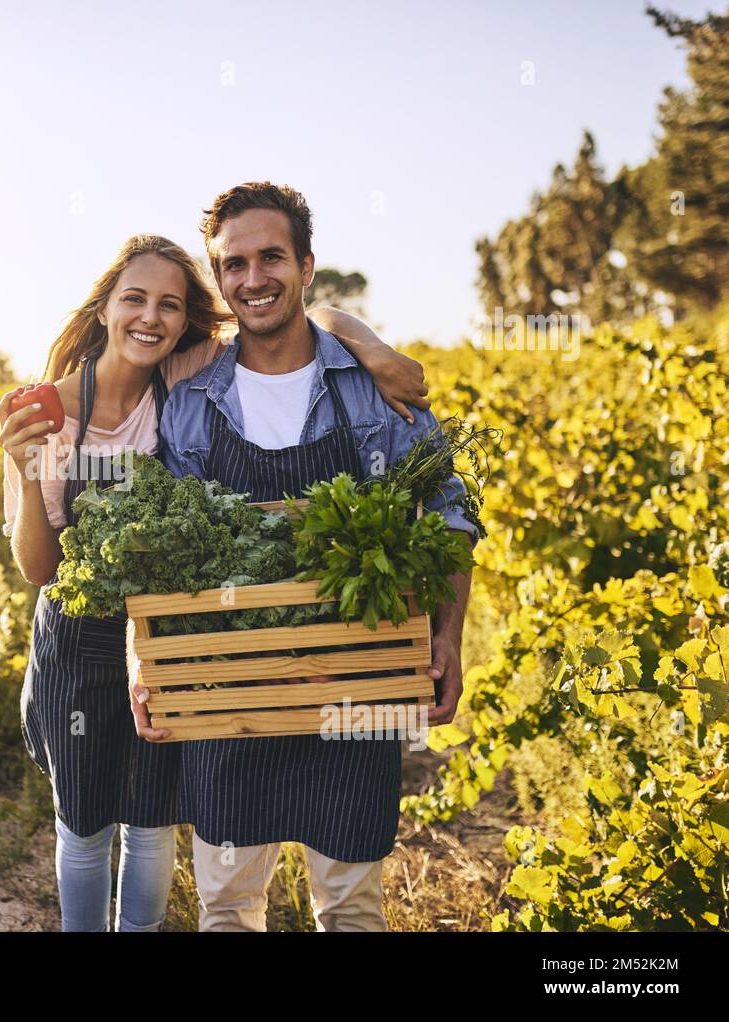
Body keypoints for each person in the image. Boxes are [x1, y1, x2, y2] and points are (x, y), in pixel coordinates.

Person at [0, 233, 430, 931]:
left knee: (153, 820)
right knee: (82, 824)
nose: (151, 317)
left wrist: (370, 347)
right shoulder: (45, 411)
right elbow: (38, 570)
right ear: (105, 307)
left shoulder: (187, 373)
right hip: (80, 639)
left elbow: (286, 315)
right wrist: (21, 468)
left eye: (170, 304)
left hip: (168, 633)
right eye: (134, 299)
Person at [133, 182, 477, 933]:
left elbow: (451, 510)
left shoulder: (373, 388)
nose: (254, 278)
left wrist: (448, 633)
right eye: (235, 265)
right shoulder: (192, 397)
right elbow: (155, 551)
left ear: (307, 265)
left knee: (352, 907)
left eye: (271, 258)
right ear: (219, 280)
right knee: (226, 907)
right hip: (229, 691)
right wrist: (144, 655)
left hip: (354, 685)